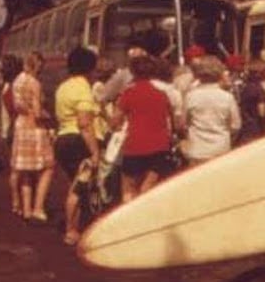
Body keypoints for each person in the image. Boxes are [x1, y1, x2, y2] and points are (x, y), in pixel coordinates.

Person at [55, 47, 103, 246]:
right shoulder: (83, 88)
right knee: (78, 187)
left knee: (75, 185)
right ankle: (71, 231)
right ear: (90, 67)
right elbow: (84, 123)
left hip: (62, 139)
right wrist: (94, 152)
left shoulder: (63, 87)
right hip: (78, 142)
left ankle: (76, 227)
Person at [111, 55, 175, 202]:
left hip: (135, 145)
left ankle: (130, 220)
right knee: (148, 186)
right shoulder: (162, 95)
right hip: (160, 145)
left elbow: (115, 122)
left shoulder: (128, 94)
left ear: (133, 72)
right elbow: (172, 121)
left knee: (128, 187)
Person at [11, 52, 55, 224]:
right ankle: (38, 208)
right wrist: (49, 117)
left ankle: (27, 210)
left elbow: (17, 106)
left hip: (21, 126)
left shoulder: (18, 81)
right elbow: (37, 112)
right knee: (48, 167)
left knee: (26, 171)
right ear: (37, 65)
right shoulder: (34, 83)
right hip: (34, 129)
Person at [184, 55, 241, 165]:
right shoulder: (227, 97)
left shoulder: (190, 96)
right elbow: (236, 125)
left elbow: (182, 124)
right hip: (220, 149)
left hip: (197, 149)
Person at [0, 55, 23, 216]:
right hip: (23, 128)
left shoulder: (5, 89)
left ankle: (16, 201)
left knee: (15, 169)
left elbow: (4, 115)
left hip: (11, 130)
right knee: (26, 169)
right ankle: (24, 200)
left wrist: (4, 133)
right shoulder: (21, 87)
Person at [237, 60, 265, 144]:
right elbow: (261, 112)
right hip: (256, 130)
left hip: (245, 128)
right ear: (260, 74)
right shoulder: (259, 90)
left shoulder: (245, 88)